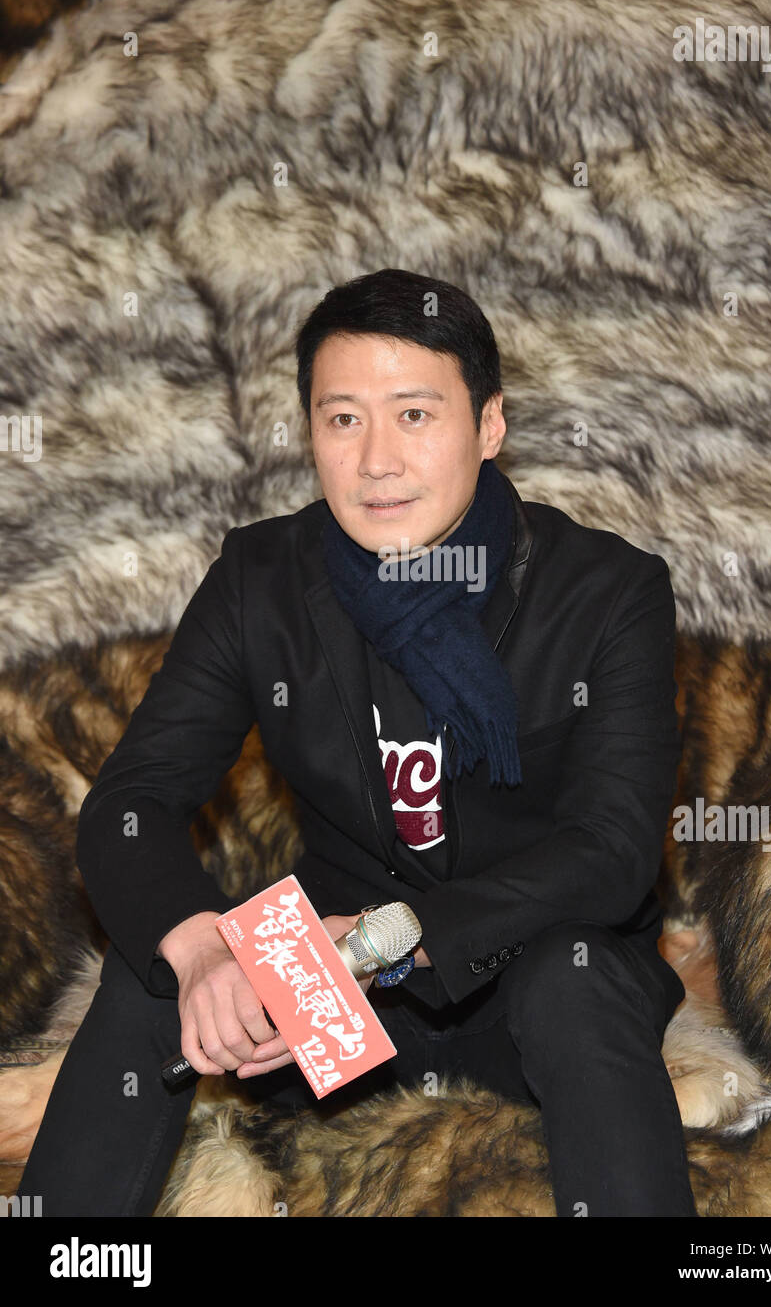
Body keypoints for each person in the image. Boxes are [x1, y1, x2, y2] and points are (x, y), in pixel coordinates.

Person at [18, 267, 696, 1218]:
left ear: (489, 426)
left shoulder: (608, 591)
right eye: (342, 420)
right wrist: (204, 955)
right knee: (159, 964)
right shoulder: (262, 577)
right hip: (331, 1000)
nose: (376, 460)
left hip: (525, 980)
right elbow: (131, 803)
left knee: (570, 978)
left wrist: (395, 941)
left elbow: (613, 854)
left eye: (414, 415)